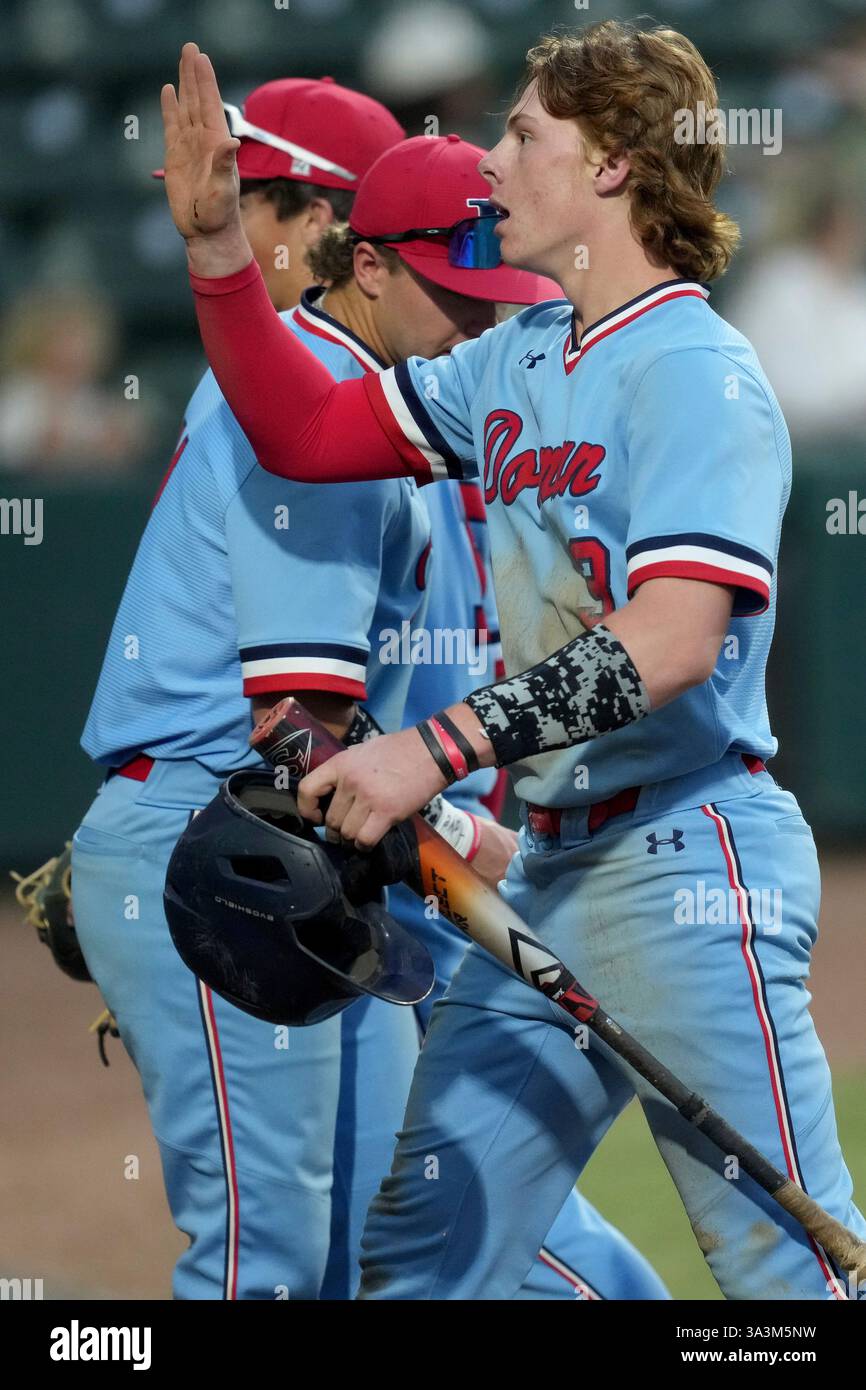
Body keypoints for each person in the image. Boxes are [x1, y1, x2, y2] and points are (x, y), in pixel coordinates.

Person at [160, 20, 865, 1300]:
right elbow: (309, 426)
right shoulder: (516, 357)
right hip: (546, 870)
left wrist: (428, 746)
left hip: (684, 863)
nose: (485, 160)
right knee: (422, 1268)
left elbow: (669, 640)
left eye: (524, 133)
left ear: (608, 166)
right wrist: (219, 258)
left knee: (788, 1276)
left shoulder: (696, 371)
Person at [74, 76, 666, 1300]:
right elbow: (297, 732)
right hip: (228, 837)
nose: (477, 320)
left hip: (324, 850)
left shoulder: (400, 408)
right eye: (452, 291)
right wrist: (484, 842)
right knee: (276, 1264)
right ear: (368, 258)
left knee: (398, 1248)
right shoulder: (312, 397)